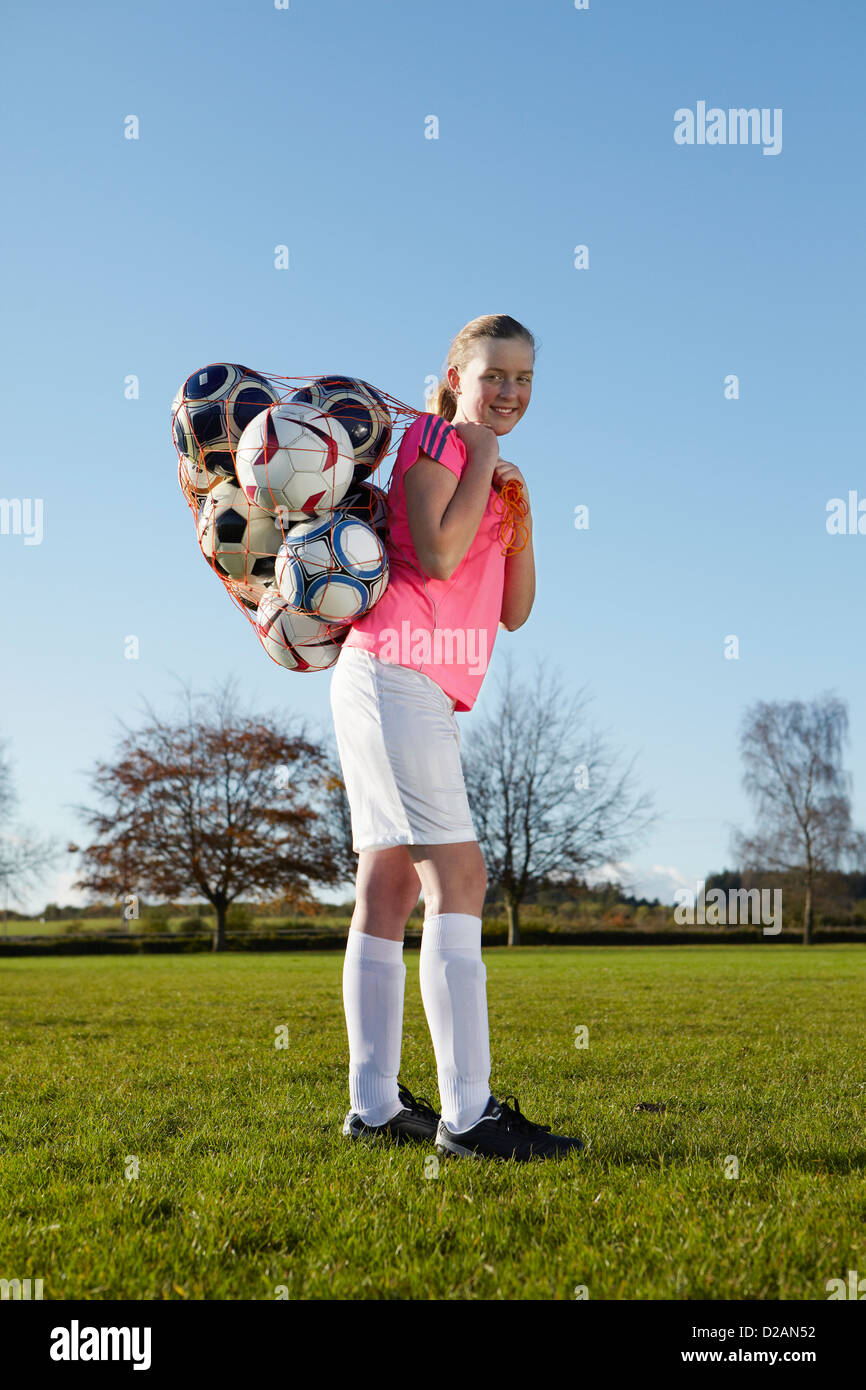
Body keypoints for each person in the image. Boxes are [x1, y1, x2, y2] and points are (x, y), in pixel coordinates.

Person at [329, 313, 584, 1161]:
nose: (509, 393)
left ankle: (372, 1107)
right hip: (394, 670)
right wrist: (479, 461)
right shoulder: (435, 442)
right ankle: (468, 1117)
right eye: (494, 376)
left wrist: (525, 515)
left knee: (390, 885)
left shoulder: (493, 470)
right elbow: (436, 559)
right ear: (455, 374)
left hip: (410, 684)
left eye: (524, 380)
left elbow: (514, 611)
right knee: (460, 874)